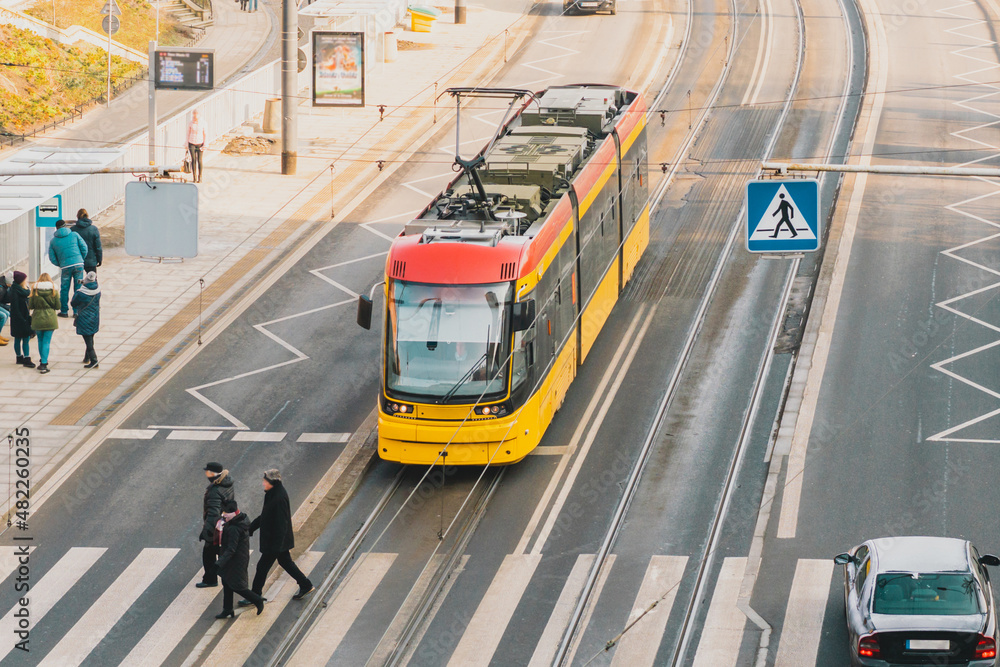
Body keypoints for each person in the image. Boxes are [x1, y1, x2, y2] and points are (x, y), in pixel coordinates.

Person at [239, 469, 314, 607]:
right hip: (276, 542)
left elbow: (281, 524)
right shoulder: (272, 494)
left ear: (272, 482)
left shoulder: (278, 498)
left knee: (262, 567)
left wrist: (277, 546)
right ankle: (306, 584)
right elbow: (265, 515)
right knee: (286, 563)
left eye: (265, 481)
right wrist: (251, 528)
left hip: (275, 542)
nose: (263, 483)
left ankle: (255, 596)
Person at [214, 499, 265, 618]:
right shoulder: (237, 521)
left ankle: (257, 600)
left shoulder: (234, 528)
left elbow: (231, 548)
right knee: (227, 582)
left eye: (225, 512)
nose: (223, 515)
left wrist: (219, 563)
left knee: (237, 586)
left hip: (236, 560)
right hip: (233, 558)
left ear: (231, 512)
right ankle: (227, 609)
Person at [198, 462, 235, 588]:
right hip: (227, 523)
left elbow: (213, 514)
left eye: (208, 472)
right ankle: (228, 576)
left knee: (208, 554)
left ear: (213, 474)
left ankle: (210, 579)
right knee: (222, 551)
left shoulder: (215, 490)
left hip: (216, 528)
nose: (206, 475)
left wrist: (206, 532)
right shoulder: (227, 483)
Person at [48, 219, 88, 317]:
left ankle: (64, 311)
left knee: (65, 288)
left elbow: (52, 257)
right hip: (78, 266)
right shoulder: (75, 235)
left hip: (65, 267)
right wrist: (80, 259)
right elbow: (84, 248)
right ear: (65, 226)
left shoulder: (53, 241)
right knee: (78, 288)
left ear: (56, 228)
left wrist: (61, 264)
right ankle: (76, 311)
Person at [28, 273, 58, 374]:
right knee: (47, 342)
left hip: (37, 318)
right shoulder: (54, 290)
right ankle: (44, 363)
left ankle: (42, 360)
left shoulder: (34, 291)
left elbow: (30, 306)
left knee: (40, 341)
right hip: (50, 318)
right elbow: (58, 306)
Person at [70, 271, 101, 369]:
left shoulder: (81, 293)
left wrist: (80, 289)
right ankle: (86, 357)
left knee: (88, 340)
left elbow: (73, 303)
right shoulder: (98, 291)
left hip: (84, 318)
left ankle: (94, 360)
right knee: (90, 337)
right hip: (95, 317)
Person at [9, 271, 33, 367]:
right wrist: (22, 320)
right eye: (25, 279)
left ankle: (20, 358)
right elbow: (15, 307)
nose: (26, 281)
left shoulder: (20, 290)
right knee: (24, 338)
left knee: (19, 338)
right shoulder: (16, 291)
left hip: (22, 317)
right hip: (20, 318)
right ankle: (26, 358)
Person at [71, 209, 103, 275]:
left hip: (77, 261)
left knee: (78, 282)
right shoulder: (93, 229)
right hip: (91, 261)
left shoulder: (72, 229)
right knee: (92, 280)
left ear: (77, 216)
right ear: (87, 216)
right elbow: (98, 247)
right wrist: (99, 259)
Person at [187, 110, 207, 184]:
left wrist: (205, 144)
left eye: (196, 115)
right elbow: (188, 133)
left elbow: (205, 134)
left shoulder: (203, 123)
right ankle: (194, 177)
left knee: (199, 160)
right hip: (191, 142)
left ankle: (200, 177)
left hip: (200, 143)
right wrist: (186, 143)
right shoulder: (191, 123)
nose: (195, 116)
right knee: (193, 160)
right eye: (194, 115)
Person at [0, 271, 11, 346]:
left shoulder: (4, 286)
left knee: (7, 313)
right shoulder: (1, 288)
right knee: (3, 316)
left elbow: (4, 299)